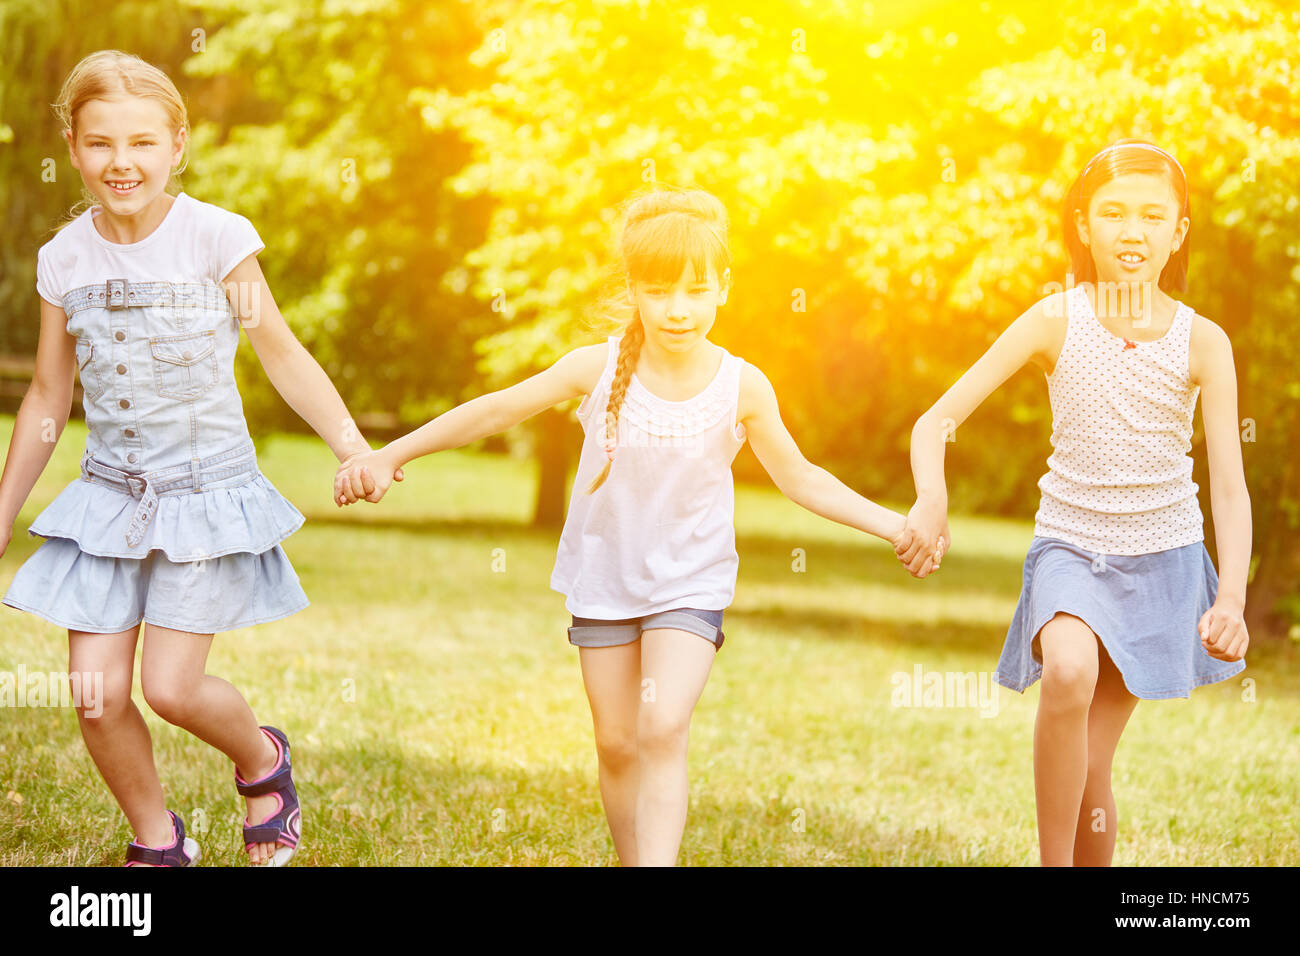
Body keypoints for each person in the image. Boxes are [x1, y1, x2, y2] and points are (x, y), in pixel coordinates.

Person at [335, 186, 910, 865]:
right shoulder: (599, 368)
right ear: (633, 288)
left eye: (696, 290)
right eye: (659, 290)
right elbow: (497, 410)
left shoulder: (742, 386)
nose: (678, 310)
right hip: (606, 576)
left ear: (724, 287)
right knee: (617, 742)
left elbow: (802, 477)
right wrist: (392, 453)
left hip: (689, 583)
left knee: (663, 724)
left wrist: (894, 526)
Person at [0, 50, 394, 866]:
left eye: (143, 142)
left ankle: (263, 763)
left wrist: (352, 444)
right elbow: (46, 397)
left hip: (205, 494)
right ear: (72, 147)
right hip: (107, 496)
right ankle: (159, 842)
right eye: (101, 143)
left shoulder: (215, 239)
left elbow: (279, 353)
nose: (122, 162)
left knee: (170, 690)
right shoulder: (64, 260)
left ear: (177, 144)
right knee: (98, 697)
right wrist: (4, 512)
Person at [895, 140, 1250, 866]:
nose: (1132, 231)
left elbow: (1229, 485)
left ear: (1178, 232)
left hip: (1163, 564)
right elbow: (935, 421)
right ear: (1082, 225)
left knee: (1092, 766)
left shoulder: (1204, 342)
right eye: (1113, 213)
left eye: (1153, 216)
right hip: (1071, 551)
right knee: (1068, 671)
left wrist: (1233, 598)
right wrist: (932, 495)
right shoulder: (1054, 320)